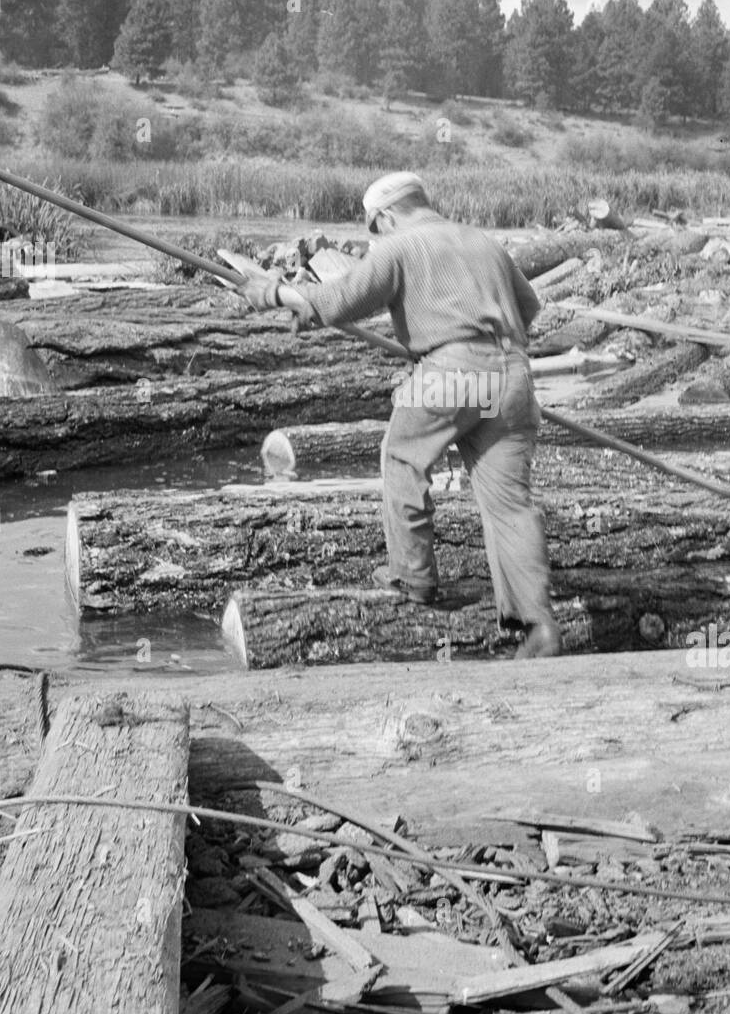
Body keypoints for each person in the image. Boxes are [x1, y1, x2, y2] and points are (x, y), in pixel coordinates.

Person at [241, 171, 563, 659]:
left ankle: (412, 579)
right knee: (509, 505)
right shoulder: (483, 241)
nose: (376, 237)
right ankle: (539, 626)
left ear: (385, 216)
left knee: (403, 459)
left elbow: (340, 300)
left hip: (451, 372)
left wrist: (272, 293)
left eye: (374, 229)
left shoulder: (398, 246)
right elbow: (529, 305)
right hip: (513, 375)